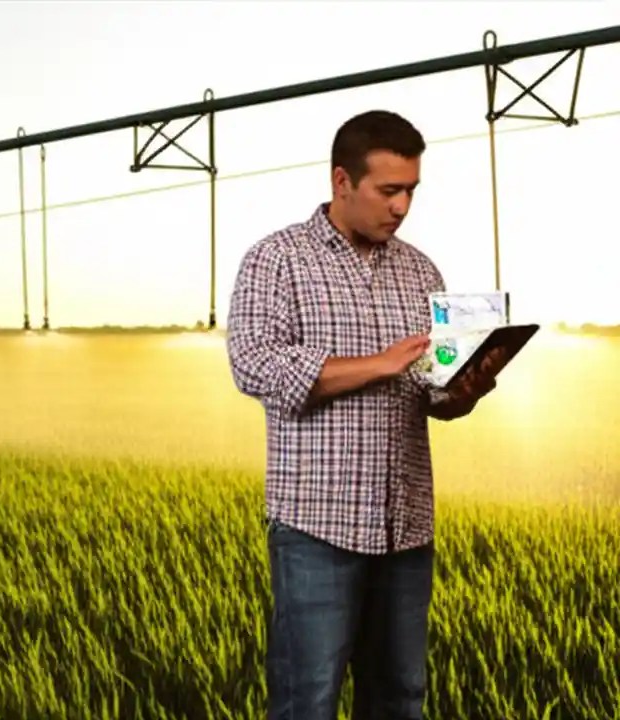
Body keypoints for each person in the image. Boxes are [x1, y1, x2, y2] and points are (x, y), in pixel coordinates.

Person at [225, 109, 504, 720]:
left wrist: (467, 388)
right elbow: (255, 367)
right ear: (341, 182)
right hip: (316, 529)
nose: (402, 206)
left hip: (405, 528)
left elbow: (432, 394)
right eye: (389, 190)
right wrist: (378, 363)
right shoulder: (276, 260)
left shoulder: (421, 270)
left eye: (411, 191)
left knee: (401, 698)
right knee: (308, 701)